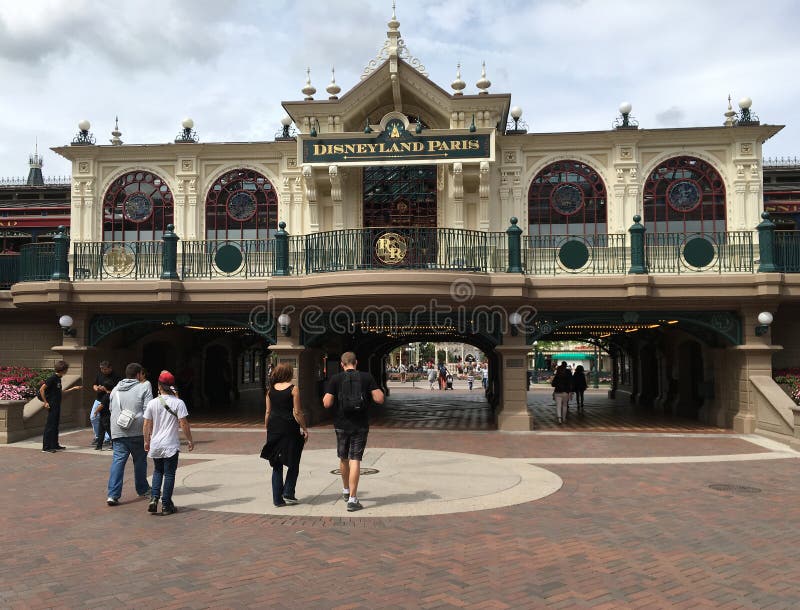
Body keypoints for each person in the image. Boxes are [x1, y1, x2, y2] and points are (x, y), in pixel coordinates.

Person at [322, 352, 384, 512]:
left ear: (342, 364)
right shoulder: (366, 377)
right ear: (357, 362)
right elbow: (379, 398)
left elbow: (327, 403)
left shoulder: (335, 379)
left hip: (341, 424)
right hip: (360, 424)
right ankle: (352, 499)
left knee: (343, 458)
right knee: (355, 459)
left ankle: (345, 490)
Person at [143, 370, 194, 515]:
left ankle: (154, 498)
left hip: (156, 443)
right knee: (170, 474)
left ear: (159, 385)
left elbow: (146, 424)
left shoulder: (152, 403)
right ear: (172, 386)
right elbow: (184, 424)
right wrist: (190, 440)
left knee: (158, 471)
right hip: (171, 444)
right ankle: (166, 504)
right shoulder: (179, 403)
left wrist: (146, 441)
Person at [106, 362, 152, 506]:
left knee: (118, 461)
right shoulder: (145, 386)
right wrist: (149, 432)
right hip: (137, 431)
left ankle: (113, 495)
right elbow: (148, 410)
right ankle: (142, 489)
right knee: (140, 461)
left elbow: (110, 408)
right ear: (138, 374)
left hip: (118, 430)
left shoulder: (115, 389)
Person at [262, 363, 308, 507]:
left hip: (273, 428)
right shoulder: (294, 389)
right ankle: (288, 491)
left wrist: (266, 427)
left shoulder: (270, 391)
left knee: (276, 463)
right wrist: (304, 428)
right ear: (289, 374)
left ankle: (277, 499)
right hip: (289, 428)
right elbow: (297, 412)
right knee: (294, 460)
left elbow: (268, 412)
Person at [40, 360, 82, 453]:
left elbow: (59, 392)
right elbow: (42, 389)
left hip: (57, 405)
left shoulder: (58, 378)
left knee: (55, 425)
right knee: (50, 426)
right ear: (63, 370)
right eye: (66, 369)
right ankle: (46, 447)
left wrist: (72, 389)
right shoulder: (52, 378)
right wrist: (45, 402)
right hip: (51, 405)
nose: (67, 371)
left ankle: (55, 444)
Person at [90, 361, 120, 447]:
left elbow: (118, 388)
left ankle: (107, 438)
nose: (103, 371)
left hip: (109, 400)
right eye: (101, 369)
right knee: (93, 417)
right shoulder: (99, 374)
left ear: (110, 368)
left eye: (105, 369)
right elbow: (94, 384)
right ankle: (98, 436)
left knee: (107, 421)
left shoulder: (116, 376)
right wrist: (96, 388)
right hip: (99, 398)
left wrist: (106, 389)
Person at [94, 379, 115, 450]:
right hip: (106, 416)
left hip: (105, 416)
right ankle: (99, 446)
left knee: (109, 431)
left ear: (105, 387)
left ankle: (114, 445)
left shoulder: (106, 396)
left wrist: (96, 411)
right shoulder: (113, 395)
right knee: (101, 431)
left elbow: (101, 405)